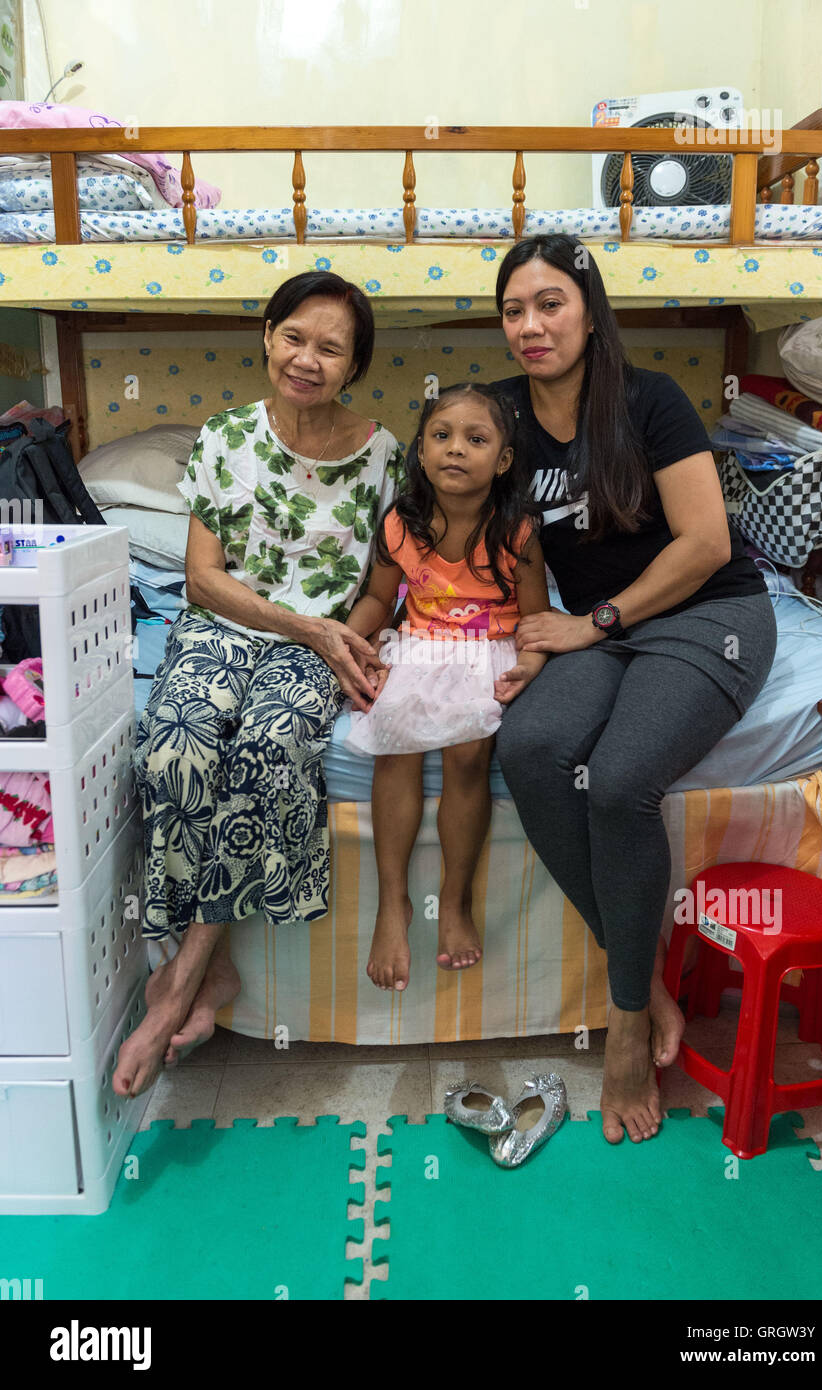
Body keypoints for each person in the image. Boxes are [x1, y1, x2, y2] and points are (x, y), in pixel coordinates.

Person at [490, 234, 777, 1147]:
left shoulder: (648, 400)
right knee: (532, 750)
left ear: (588, 308)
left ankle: (620, 1029)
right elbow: (451, 504)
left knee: (617, 782)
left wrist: (595, 623)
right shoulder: (500, 412)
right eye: (512, 311)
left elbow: (705, 543)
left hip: (703, 614)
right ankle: (643, 981)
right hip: (595, 626)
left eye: (549, 305)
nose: (530, 326)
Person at [112, 271, 404, 1099]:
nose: (306, 359)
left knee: (271, 747)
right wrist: (307, 623)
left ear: (354, 366)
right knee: (172, 744)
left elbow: (383, 585)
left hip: (321, 644)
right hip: (232, 624)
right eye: (294, 337)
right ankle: (218, 971)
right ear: (268, 336)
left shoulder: (384, 453)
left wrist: (350, 634)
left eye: (330, 349)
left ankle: (181, 983)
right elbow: (202, 579)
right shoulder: (224, 437)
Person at [343, 383, 549, 991]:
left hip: (488, 649)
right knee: (395, 745)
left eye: (476, 439)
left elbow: (535, 620)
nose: (456, 449)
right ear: (422, 451)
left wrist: (532, 662)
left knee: (466, 753)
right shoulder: (401, 524)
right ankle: (392, 904)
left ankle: (454, 902)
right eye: (442, 436)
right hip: (419, 646)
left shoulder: (517, 531)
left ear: (503, 461)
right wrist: (349, 646)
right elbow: (381, 599)